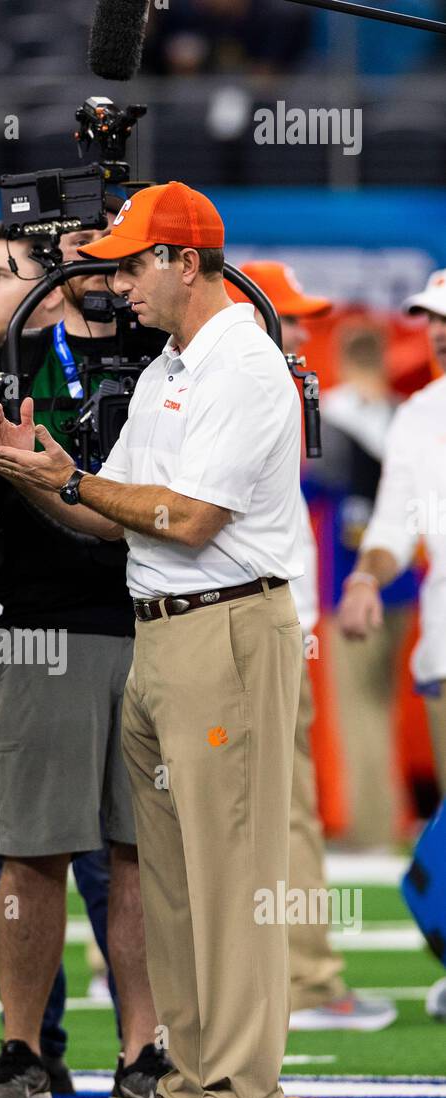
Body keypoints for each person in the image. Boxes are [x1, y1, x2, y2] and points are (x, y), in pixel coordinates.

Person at [0, 181, 305, 1098]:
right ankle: (190, 1079)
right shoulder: (173, 364)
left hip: (226, 627)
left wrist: (73, 477)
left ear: (184, 262)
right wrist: (39, 474)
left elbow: (190, 517)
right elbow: (104, 512)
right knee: (165, 876)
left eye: (129, 263)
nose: (115, 282)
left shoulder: (243, 366)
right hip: (158, 625)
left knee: (229, 872)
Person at [0, 216, 166, 1098]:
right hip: (45, 634)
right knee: (30, 853)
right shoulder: (5, 363)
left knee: (139, 858)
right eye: (71, 249)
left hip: (160, 622)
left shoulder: (170, 354)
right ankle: (23, 1051)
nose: (91, 265)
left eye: (102, 246)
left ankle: (145, 1053)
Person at [230, 262, 395, 1031]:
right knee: (278, 812)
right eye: (287, 317)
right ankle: (303, 976)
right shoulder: (251, 391)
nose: (302, 333)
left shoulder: (247, 389)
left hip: (250, 626)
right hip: (255, 629)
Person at [338, 269, 446, 1014]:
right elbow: (392, 528)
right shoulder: (418, 416)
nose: (436, 329)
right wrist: (368, 579)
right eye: (429, 319)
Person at [320, 325, 408, 849]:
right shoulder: (408, 417)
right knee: (383, 704)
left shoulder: (332, 415)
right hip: (400, 583)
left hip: (350, 582)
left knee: (359, 708)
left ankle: (373, 827)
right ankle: (385, 820)